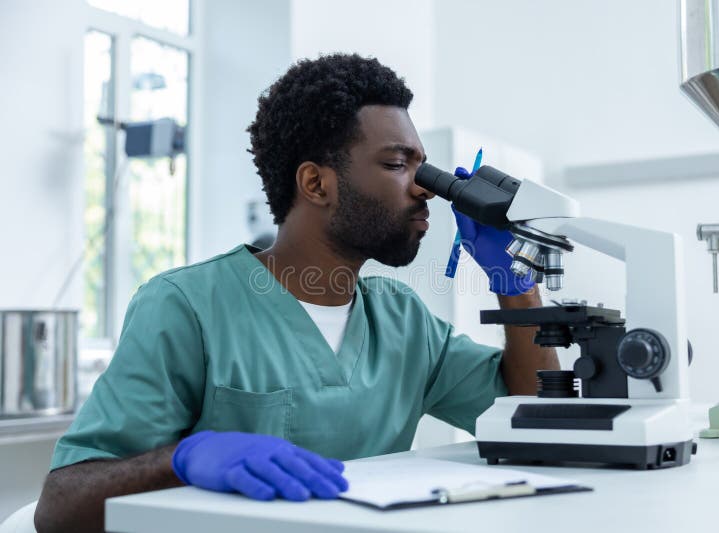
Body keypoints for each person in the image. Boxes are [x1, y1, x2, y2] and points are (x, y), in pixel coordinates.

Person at [34, 54, 558, 532]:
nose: (424, 187)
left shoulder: (405, 321)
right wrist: (180, 459)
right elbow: (60, 507)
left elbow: (532, 422)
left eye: (422, 167)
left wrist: (515, 282)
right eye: (398, 164)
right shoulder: (185, 307)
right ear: (316, 184)